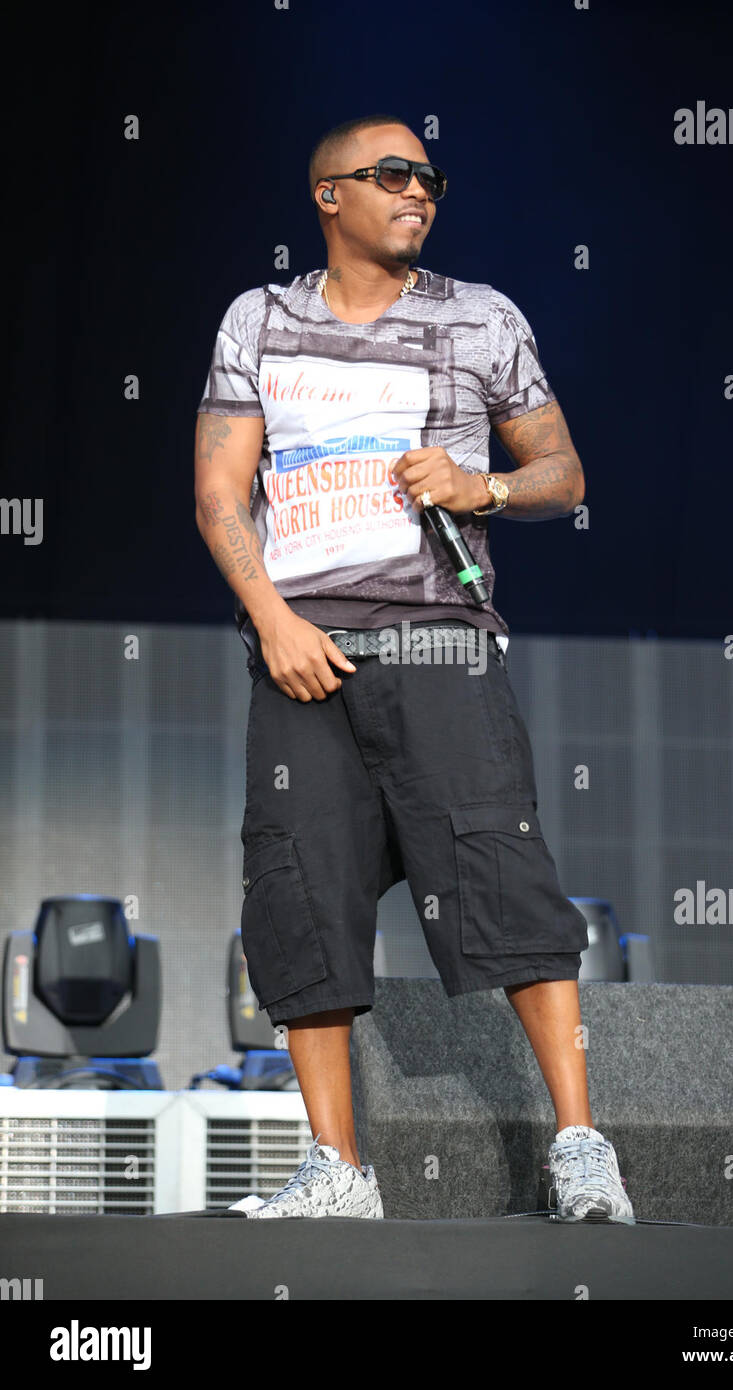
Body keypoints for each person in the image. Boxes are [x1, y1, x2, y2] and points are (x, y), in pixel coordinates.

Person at [194, 113, 633, 1225]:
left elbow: (564, 472)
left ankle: (584, 1149)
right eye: (391, 175)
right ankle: (338, 1171)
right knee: (300, 903)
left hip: (442, 644)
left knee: (508, 888)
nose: (419, 190)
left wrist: (485, 486)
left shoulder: (481, 317)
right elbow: (217, 490)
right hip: (305, 660)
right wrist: (271, 620)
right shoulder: (263, 317)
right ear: (329, 196)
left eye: (428, 175)